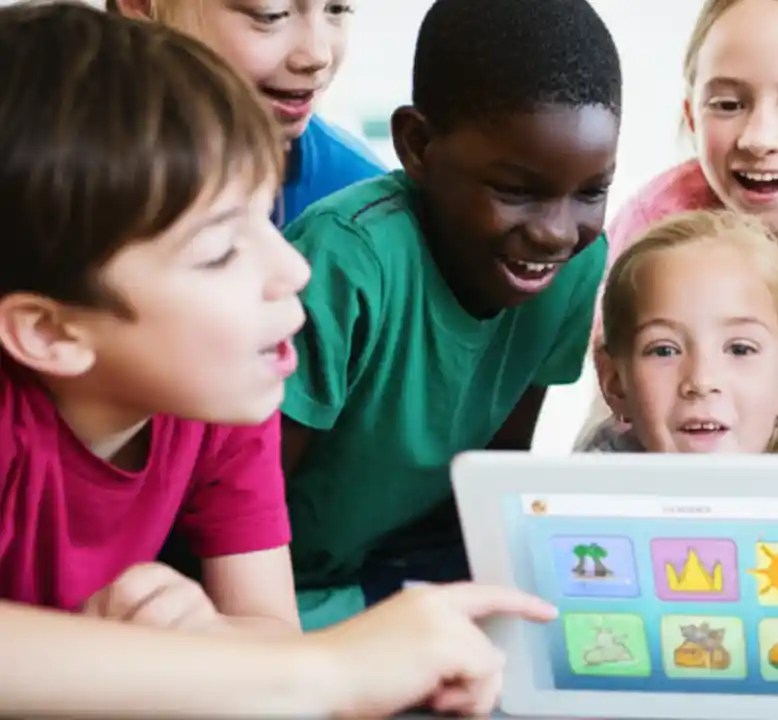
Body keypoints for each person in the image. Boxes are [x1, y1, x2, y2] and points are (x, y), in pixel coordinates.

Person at [280, 0, 622, 631]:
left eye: (591, 192)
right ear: (418, 145)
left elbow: (496, 478)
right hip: (276, 581)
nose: (554, 232)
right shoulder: (347, 262)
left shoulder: (576, 265)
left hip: (410, 566)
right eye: (516, 191)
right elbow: (242, 499)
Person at [0, 0, 307, 634]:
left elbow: (275, 638)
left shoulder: (221, 391)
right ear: (49, 332)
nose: (294, 271)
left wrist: (210, 637)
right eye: (221, 251)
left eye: (267, 216)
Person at [580, 0, 778, 447]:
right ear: (692, 117)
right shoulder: (652, 222)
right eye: (728, 103)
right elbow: (620, 412)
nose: (759, 138)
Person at [1, 584, 556, 718]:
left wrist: (212, 639)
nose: (295, 279)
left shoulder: (227, 413)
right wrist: (333, 666)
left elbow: (271, 627)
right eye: (214, 275)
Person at [113, 0, 384, 226]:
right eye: (271, 15)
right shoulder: (78, 179)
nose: (317, 55)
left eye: (337, 8)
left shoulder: (365, 202)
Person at [586, 210, 778, 454]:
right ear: (614, 381)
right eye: (664, 350)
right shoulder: (575, 491)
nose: (701, 381)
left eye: (740, 349)